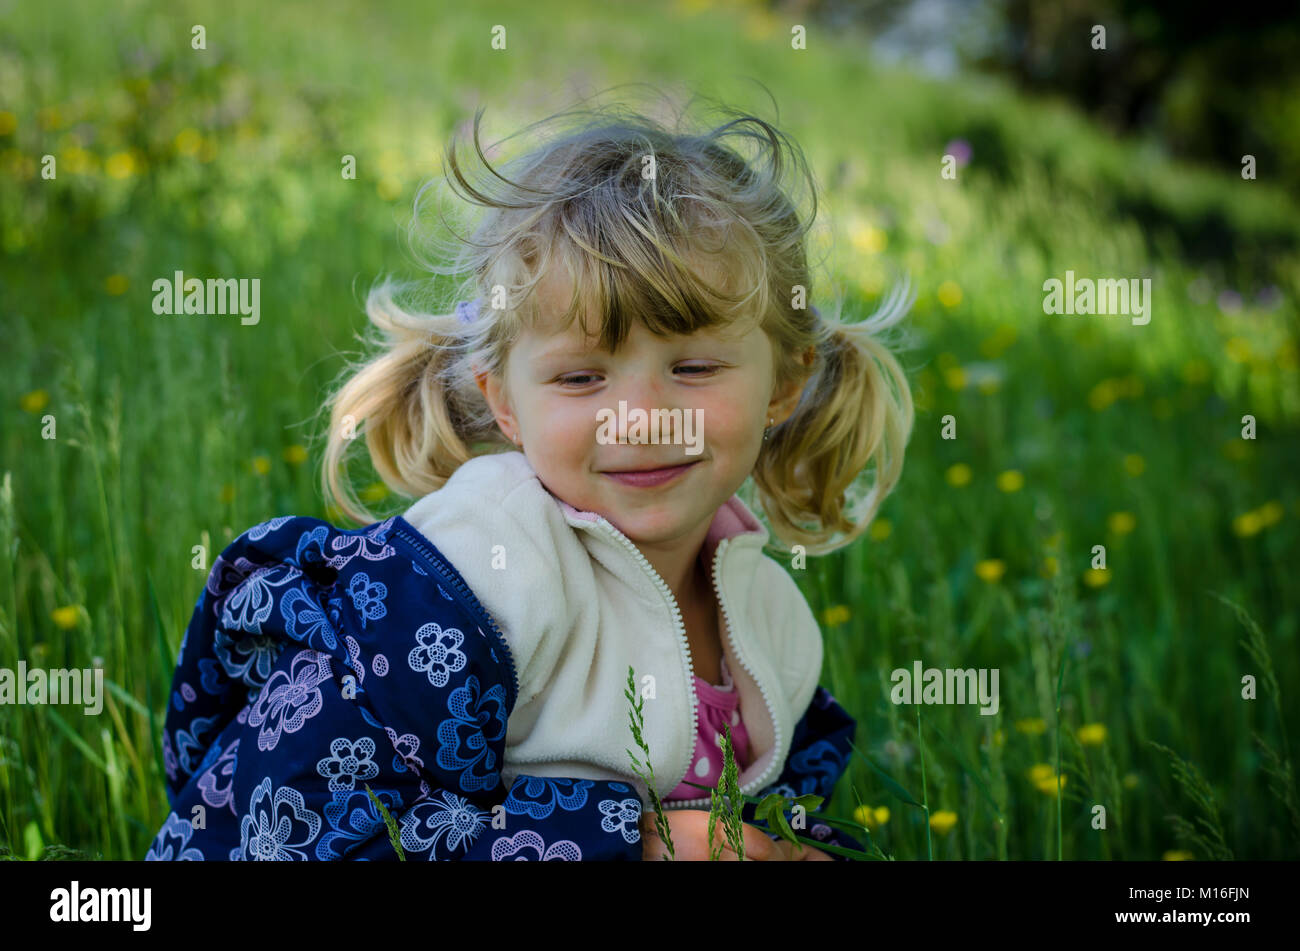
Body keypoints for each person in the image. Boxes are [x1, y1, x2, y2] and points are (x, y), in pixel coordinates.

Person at [146, 99, 914, 860]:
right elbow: (299, 827)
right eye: (581, 378)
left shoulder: (769, 620)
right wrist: (640, 844)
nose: (640, 419)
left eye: (694, 367)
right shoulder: (468, 580)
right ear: (503, 401)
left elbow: (771, 821)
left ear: (784, 380)